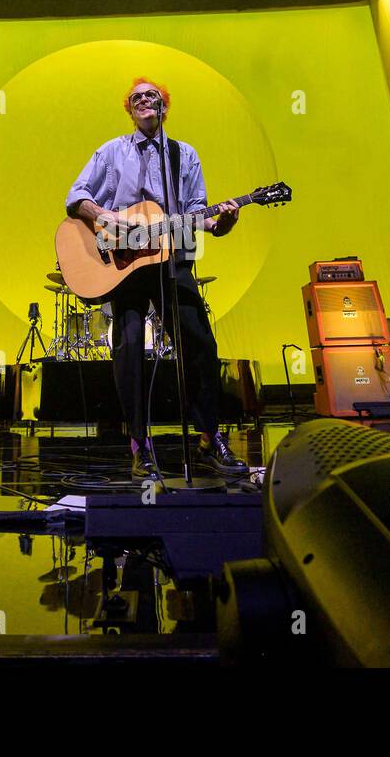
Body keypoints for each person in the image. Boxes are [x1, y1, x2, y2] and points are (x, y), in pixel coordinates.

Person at [65, 78, 244, 480]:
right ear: (129, 109)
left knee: (200, 343)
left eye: (153, 95)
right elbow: (75, 196)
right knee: (128, 348)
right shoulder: (112, 151)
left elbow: (200, 212)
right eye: (137, 97)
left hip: (172, 256)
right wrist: (102, 215)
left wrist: (222, 223)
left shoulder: (184, 155)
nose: (146, 100)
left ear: (164, 106)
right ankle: (139, 445)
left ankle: (207, 439)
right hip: (124, 266)